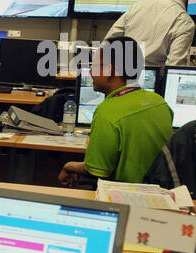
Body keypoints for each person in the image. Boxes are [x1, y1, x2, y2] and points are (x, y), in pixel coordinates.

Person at [60, 40, 171, 186]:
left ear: (110, 71)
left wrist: (69, 165)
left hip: (125, 196)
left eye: (94, 66)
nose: (91, 72)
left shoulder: (107, 113)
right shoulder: (160, 103)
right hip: (160, 194)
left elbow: (97, 170)